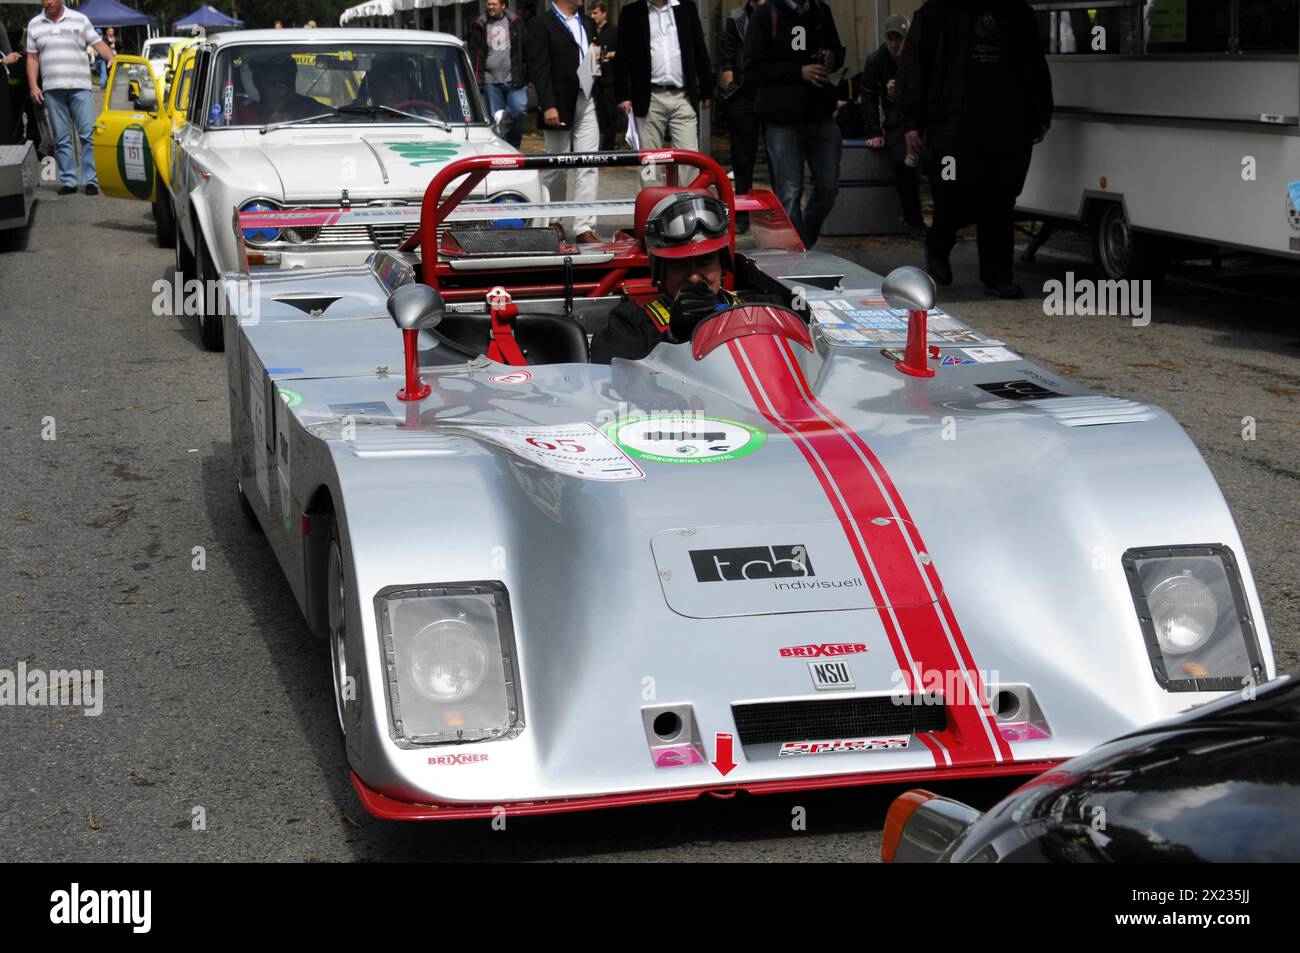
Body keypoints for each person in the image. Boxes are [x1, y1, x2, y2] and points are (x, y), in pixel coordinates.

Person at [897, 0, 1052, 298]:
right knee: (952, 192)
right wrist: (910, 121)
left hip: (1007, 126)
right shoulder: (935, 13)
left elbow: (1033, 62)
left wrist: (1041, 113)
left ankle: (997, 277)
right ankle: (938, 243)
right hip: (952, 127)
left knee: (1000, 200)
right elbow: (913, 65)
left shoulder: (1016, 12)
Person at [592, 191, 753, 363]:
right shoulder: (631, 324)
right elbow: (618, 380)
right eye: (679, 265)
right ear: (661, 270)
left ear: (723, 264)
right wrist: (672, 339)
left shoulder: (754, 308)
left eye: (705, 262)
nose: (694, 277)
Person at [742, 0, 844, 249]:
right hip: (782, 118)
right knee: (789, 191)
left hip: (818, 113)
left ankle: (802, 242)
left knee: (828, 185)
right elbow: (753, 70)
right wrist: (798, 72)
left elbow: (838, 52)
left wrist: (833, 58)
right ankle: (797, 254)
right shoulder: (766, 15)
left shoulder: (820, 10)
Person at [525, 0, 601, 243]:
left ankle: (584, 227)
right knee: (556, 164)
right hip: (557, 102)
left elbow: (591, 56)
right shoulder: (542, 24)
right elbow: (540, 67)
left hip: (586, 97)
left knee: (588, 162)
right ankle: (554, 220)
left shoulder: (587, 22)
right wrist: (547, 104)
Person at [26, 0, 114, 196]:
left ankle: (91, 180)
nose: (48, 2)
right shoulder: (34, 24)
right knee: (61, 138)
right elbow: (32, 58)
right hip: (52, 89)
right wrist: (33, 86)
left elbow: (98, 43)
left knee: (88, 136)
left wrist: (111, 58)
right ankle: (69, 181)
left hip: (80, 87)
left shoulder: (80, 19)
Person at [615, 0, 711, 153]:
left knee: (689, 157)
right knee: (650, 163)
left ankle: (689, 179)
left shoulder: (686, 7)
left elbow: (699, 48)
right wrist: (622, 96)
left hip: (682, 96)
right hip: (649, 97)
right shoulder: (631, 12)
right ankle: (652, 178)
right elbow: (622, 57)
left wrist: (707, 90)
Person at [863, 14, 923, 230]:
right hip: (896, 121)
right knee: (902, 164)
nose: (894, 44)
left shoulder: (917, 57)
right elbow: (868, 96)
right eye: (891, 39)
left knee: (941, 164)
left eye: (899, 39)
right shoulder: (877, 59)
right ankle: (914, 220)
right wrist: (873, 132)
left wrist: (903, 91)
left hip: (919, 118)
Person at [718, 1, 760, 232]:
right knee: (743, 160)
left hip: (774, 91)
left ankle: (780, 216)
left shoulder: (784, 16)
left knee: (779, 159)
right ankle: (742, 215)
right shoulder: (736, 18)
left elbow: (796, 48)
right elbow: (727, 57)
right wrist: (731, 90)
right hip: (743, 93)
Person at [467, 0, 528, 149]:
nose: (490, 7)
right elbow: (474, 53)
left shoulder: (515, 22)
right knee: (496, 120)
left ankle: (513, 145)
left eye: (494, 4)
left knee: (519, 110)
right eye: (488, 4)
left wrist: (529, 74)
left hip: (515, 78)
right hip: (490, 81)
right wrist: (476, 79)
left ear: (503, 5)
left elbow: (525, 48)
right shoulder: (480, 24)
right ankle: (501, 151)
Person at [237, 53, 324, 125]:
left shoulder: (305, 106)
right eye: (271, 83)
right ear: (257, 84)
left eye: (283, 83)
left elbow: (331, 116)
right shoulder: (244, 111)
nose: (278, 89)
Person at [589, 0, 620, 151]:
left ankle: (609, 147)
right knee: (597, 113)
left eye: (595, 13)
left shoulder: (613, 31)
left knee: (610, 114)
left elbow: (622, 51)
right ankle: (598, 144)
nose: (592, 16)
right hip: (594, 78)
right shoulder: (590, 30)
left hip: (609, 78)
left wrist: (609, 55)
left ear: (604, 13)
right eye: (591, 13)